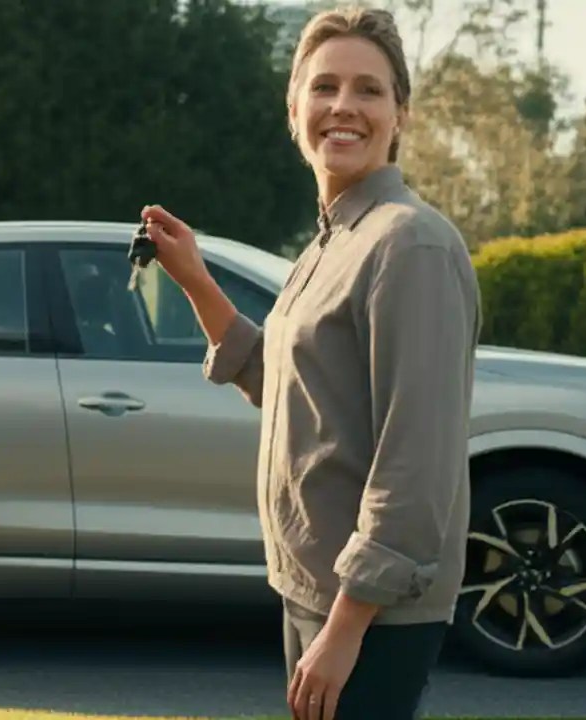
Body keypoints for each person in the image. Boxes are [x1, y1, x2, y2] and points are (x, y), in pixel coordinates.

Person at [140, 5, 480, 720]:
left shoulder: (409, 244)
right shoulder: (333, 239)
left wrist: (346, 627)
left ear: (401, 115)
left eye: (369, 89)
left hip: (369, 611)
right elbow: (289, 388)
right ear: (293, 109)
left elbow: (416, 461)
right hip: (315, 589)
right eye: (324, 87)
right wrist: (195, 280)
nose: (343, 106)